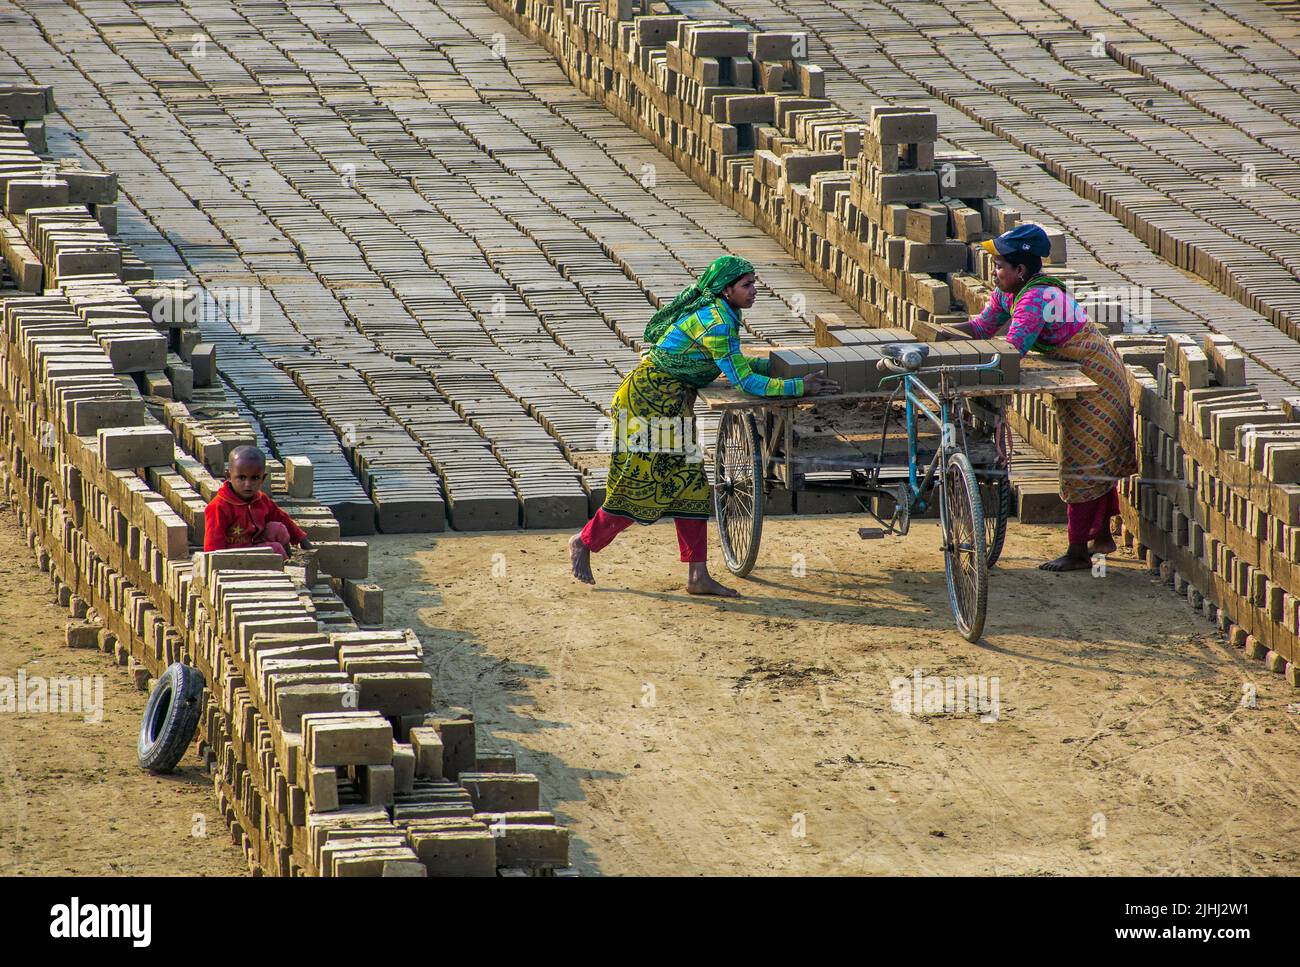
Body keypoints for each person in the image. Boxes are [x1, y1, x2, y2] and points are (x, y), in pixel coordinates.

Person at [569, 255, 839, 595]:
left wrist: (777, 366)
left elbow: (732, 361)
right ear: (726, 290)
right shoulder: (717, 322)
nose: (755, 291)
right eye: (747, 285)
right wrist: (799, 387)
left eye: (754, 282)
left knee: (692, 489)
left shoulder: (725, 313)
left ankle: (697, 577)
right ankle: (584, 542)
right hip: (647, 405)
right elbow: (744, 382)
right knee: (639, 489)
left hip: (672, 404)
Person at [945, 224, 1137, 571]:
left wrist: (964, 367)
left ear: (1020, 271)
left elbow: (1012, 350)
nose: (994, 270)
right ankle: (1099, 537)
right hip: (1078, 371)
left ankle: (1079, 551)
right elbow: (980, 328)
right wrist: (939, 333)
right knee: (1088, 458)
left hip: (1098, 379)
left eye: (1000, 265)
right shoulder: (1009, 293)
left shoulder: (1036, 299)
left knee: (1081, 463)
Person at [204, 445, 311, 557]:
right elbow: (212, 547)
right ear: (229, 476)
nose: (248, 484)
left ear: (263, 479)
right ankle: (286, 568)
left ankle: (289, 558)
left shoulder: (261, 499)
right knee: (276, 549)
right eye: (241, 477)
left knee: (279, 529)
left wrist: (301, 538)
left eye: (254, 478)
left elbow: (281, 517)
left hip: (255, 542)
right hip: (235, 555)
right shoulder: (218, 507)